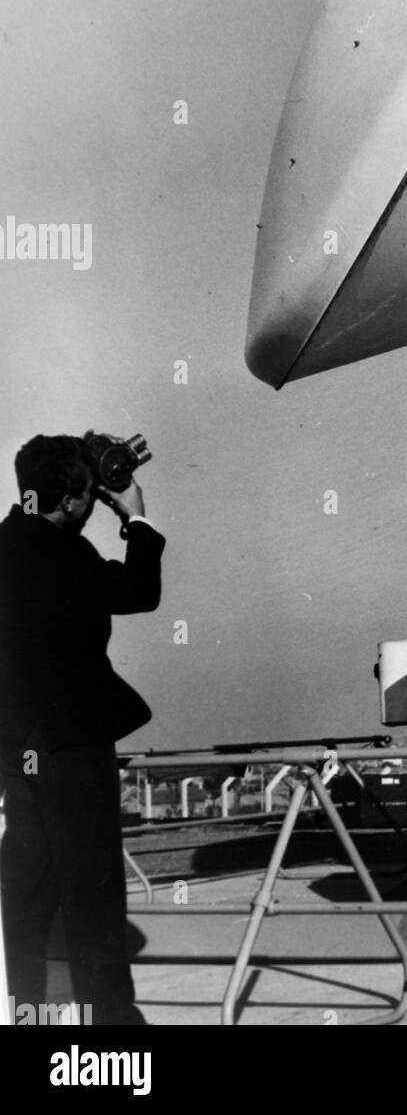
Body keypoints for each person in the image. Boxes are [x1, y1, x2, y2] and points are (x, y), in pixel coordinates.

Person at [0, 435, 165, 1025]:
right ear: (69, 503)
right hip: (73, 748)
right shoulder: (65, 555)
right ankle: (114, 1037)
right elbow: (140, 592)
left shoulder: (7, 545)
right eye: (90, 498)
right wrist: (136, 514)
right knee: (93, 897)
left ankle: (28, 1017)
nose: (95, 505)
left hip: (18, 753)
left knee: (29, 892)